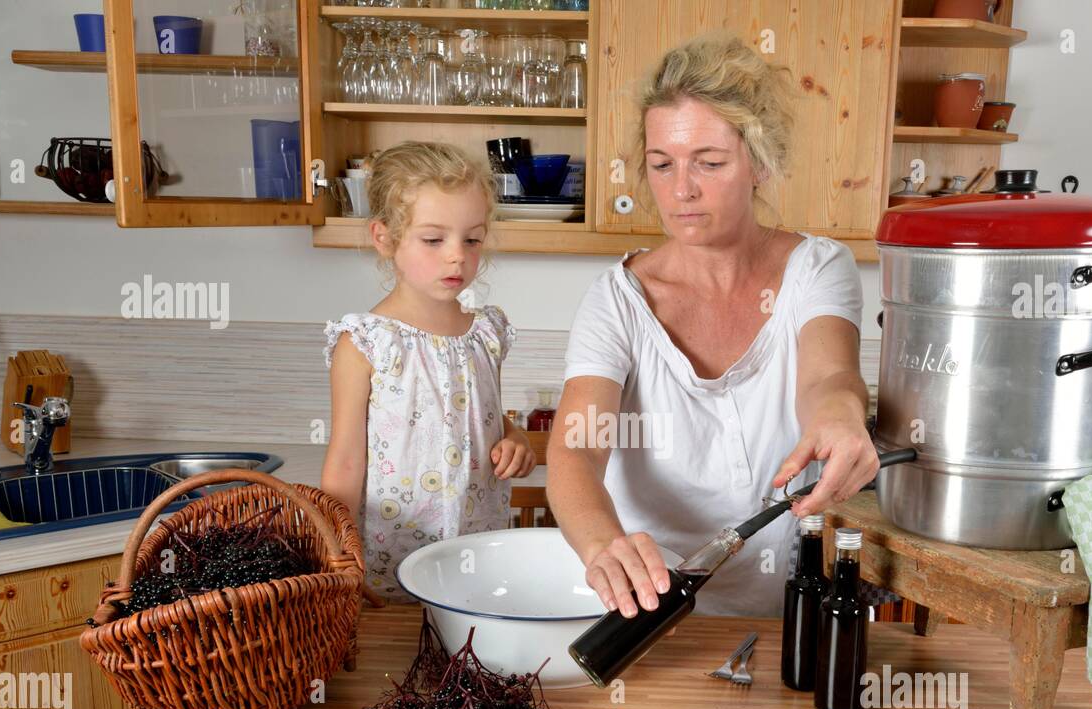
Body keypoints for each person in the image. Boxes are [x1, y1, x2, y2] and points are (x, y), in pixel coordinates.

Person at [548, 32, 877, 619]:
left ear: (760, 164)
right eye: (662, 164)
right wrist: (602, 545)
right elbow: (577, 450)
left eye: (710, 162)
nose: (681, 190)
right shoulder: (618, 299)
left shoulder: (817, 268)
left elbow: (829, 377)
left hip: (796, 603)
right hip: (652, 607)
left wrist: (841, 420)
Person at [320, 142, 537, 602]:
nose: (457, 256)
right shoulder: (365, 343)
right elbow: (343, 464)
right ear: (385, 238)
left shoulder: (486, 333)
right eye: (434, 239)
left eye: (472, 239)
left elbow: (492, 421)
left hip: (478, 561)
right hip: (390, 567)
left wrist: (515, 440)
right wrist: (338, 562)